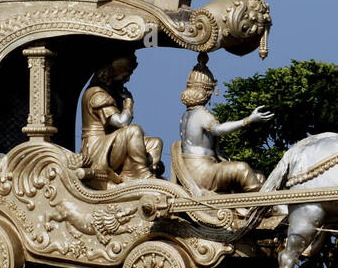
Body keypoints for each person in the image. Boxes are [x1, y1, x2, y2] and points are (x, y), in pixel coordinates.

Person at [177, 53, 274, 192]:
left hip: (201, 167)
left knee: (258, 176)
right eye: (210, 91)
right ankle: (264, 206)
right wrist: (248, 120)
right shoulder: (200, 113)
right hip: (202, 170)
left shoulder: (187, 114)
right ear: (207, 90)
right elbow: (218, 130)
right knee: (242, 169)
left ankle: (253, 207)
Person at [80, 55, 164, 182]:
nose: (128, 79)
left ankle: (143, 171)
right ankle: (141, 174)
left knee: (155, 143)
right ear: (112, 73)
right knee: (134, 131)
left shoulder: (110, 93)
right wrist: (129, 102)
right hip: (97, 148)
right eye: (125, 75)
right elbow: (121, 122)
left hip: (112, 141)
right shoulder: (96, 95)